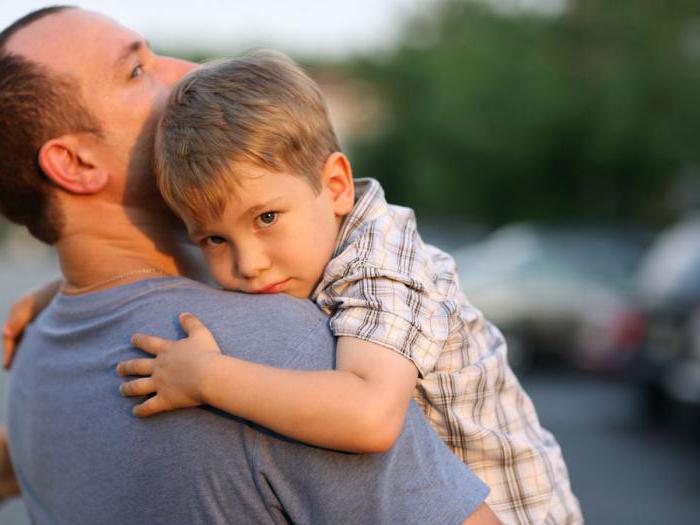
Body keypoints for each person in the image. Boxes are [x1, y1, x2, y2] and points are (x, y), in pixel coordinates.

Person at [0, 6, 499, 524]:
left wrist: (57, 292)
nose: (188, 71)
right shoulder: (279, 351)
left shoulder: (36, 353)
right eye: (136, 71)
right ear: (75, 164)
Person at [108, 53, 581, 524]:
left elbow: (369, 416)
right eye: (215, 239)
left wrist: (208, 378)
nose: (248, 264)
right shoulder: (303, 248)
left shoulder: (382, 262)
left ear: (336, 185)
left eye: (266, 218)